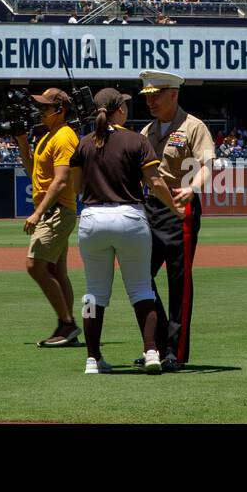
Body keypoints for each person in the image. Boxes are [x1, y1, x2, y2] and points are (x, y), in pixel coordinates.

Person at [71, 87, 170, 375]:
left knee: (93, 293)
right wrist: (175, 207)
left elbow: (76, 187)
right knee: (141, 288)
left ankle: (92, 358)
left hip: (92, 218)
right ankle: (151, 351)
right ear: (120, 110)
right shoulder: (136, 140)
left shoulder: (84, 143)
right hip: (129, 217)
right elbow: (154, 181)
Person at [137, 69, 215, 372]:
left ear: (174, 94)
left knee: (179, 282)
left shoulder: (194, 127)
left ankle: (176, 352)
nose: (151, 101)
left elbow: (208, 164)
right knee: (141, 276)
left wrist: (193, 188)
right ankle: (154, 346)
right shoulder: (147, 131)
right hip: (150, 207)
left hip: (179, 208)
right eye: (147, 96)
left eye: (156, 95)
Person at [14, 87, 81, 347]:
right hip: (55, 211)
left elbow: (63, 179)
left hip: (57, 211)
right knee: (57, 270)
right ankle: (68, 327)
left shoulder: (64, 136)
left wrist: (38, 213)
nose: (40, 111)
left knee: (35, 266)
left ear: (60, 110)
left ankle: (67, 324)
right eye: (39, 107)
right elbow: (34, 171)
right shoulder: (48, 136)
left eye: (45, 107)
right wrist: (21, 141)